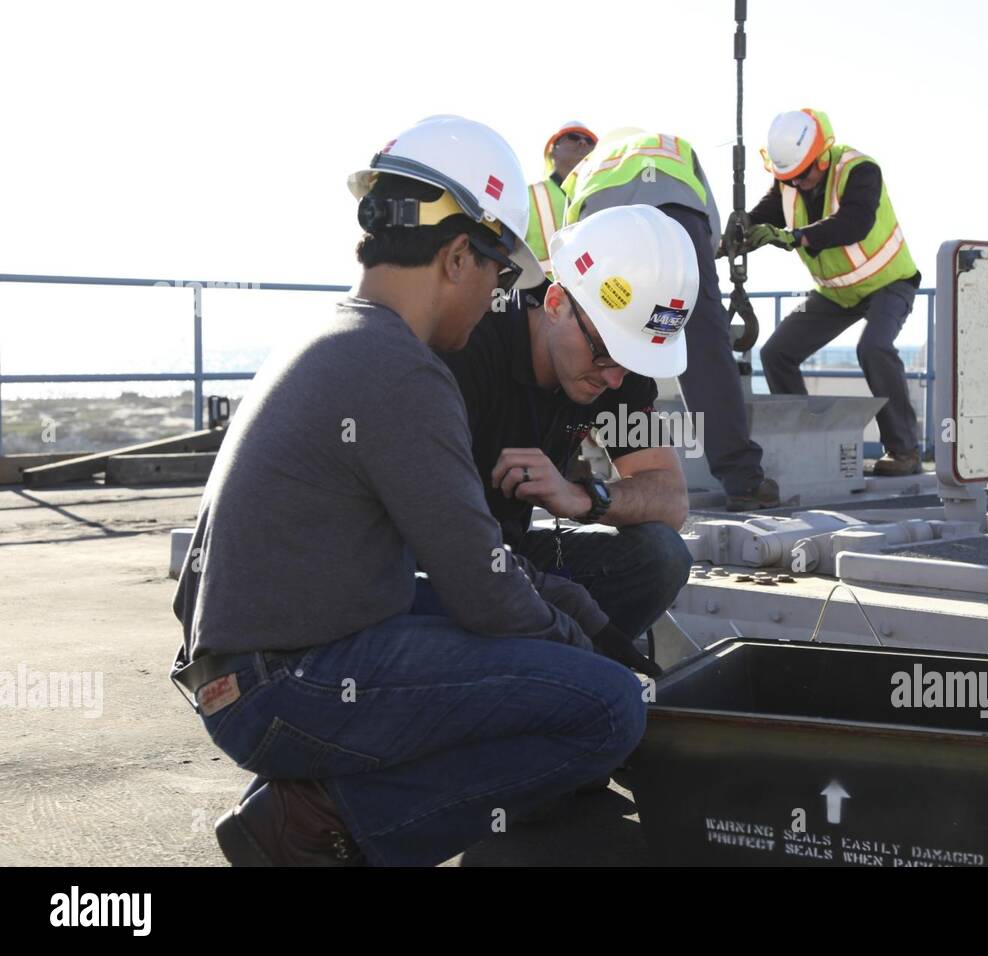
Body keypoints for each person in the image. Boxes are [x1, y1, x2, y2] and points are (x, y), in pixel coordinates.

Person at [170, 115, 651, 867]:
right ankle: (319, 825)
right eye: (498, 273)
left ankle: (340, 795)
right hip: (283, 689)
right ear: (460, 256)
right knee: (609, 708)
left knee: (559, 661)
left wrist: (578, 614)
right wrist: (587, 661)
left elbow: (475, 557)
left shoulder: (336, 336)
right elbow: (484, 591)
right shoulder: (399, 370)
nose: (498, 293)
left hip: (252, 670)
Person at [441, 204, 698, 643]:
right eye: (603, 354)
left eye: (629, 364)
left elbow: (671, 498)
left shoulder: (618, 366)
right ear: (556, 303)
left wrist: (582, 498)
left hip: (514, 550)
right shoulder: (473, 341)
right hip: (445, 558)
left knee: (662, 556)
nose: (614, 378)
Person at [562, 129, 780, 511]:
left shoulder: (588, 167)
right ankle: (743, 482)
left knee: (606, 336)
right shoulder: (674, 147)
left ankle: (591, 465)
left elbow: (571, 238)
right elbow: (709, 221)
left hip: (603, 222)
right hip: (680, 223)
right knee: (704, 346)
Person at [747, 108, 924, 477]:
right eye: (789, 179)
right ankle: (806, 445)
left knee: (874, 347)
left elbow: (855, 222)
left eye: (803, 175)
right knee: (776, 353)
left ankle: (904, 451)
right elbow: (764, 216)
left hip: (889, 283)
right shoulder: (791, 181)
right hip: (836, 292)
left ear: (822, 156)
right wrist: (729, 238)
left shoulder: (859, 170)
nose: (797, 184)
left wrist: (797, 236)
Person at [523, 120, 596, 277]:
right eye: (573, 137)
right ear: (553, 150)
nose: (583, 142)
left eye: (589, 141)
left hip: (591, 296)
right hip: (539, 296)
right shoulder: (527, 194)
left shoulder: (601, 195)